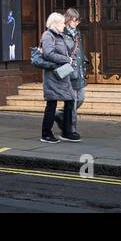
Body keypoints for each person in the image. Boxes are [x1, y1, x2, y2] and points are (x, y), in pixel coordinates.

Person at [38, 12, 79, 143]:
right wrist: (66, 59)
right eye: (62, 23)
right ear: (54, 24)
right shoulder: (47, 35)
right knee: (52, 103)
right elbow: (48, 53)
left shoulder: (60, 36)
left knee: (70, 100)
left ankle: (66, 131)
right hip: (53, 75)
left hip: (62, 74)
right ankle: (46, 133)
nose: (64, 25)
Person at [53, 8, 86, 137]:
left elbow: (79, 51)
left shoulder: (77, 33)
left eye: (78, 20)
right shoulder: (61, 33)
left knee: (81, 98)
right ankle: (70, 130)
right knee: (73, 101)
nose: (77, 23)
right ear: (68, 19)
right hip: (69, 71)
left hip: (79, 71)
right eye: (74, 20)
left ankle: (60, 114)